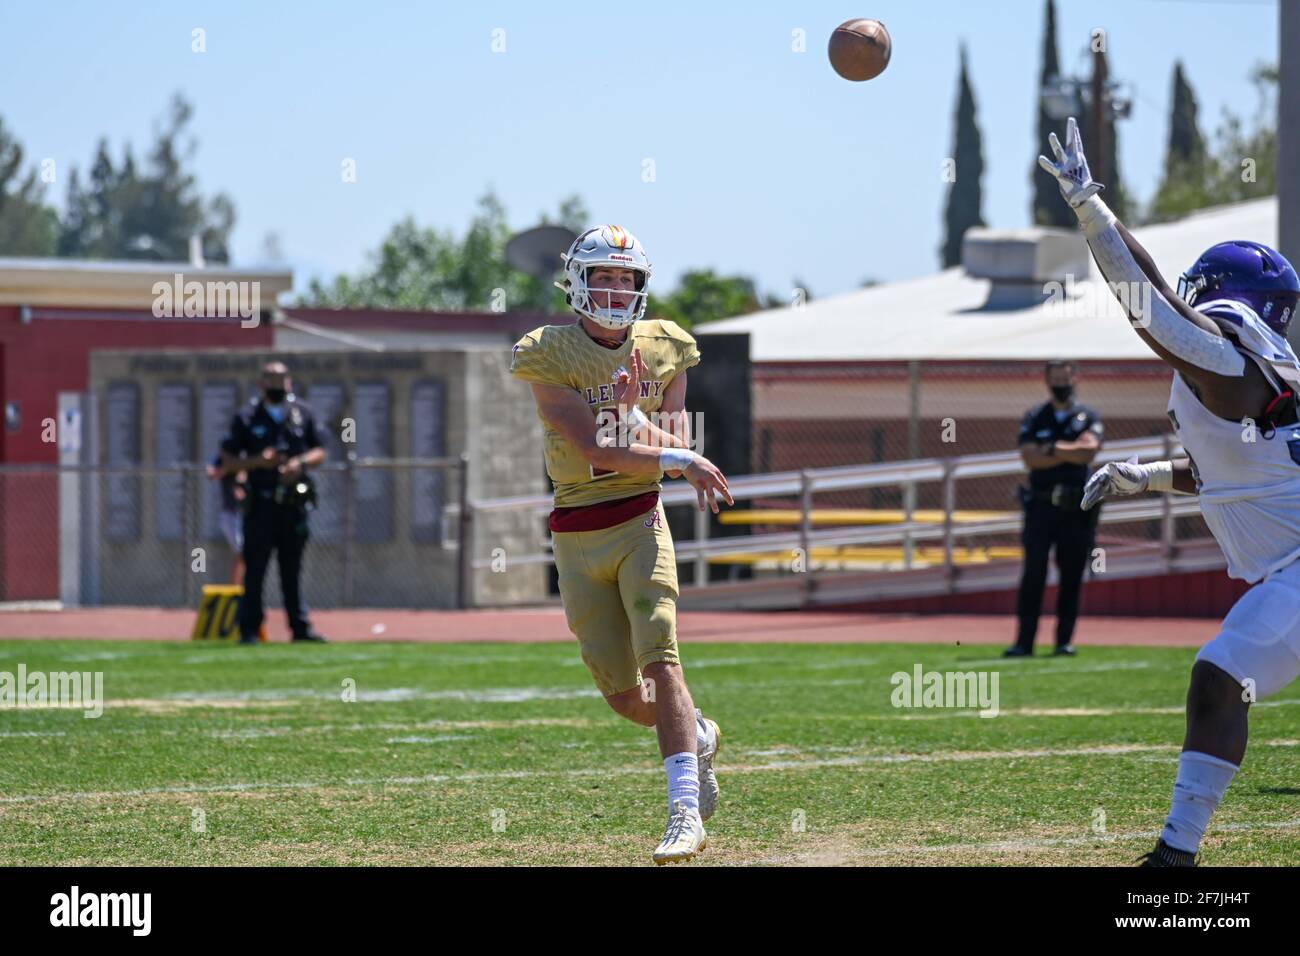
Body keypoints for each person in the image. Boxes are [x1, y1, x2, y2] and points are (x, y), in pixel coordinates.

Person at [1040, 117, 1300, 866]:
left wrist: (1092, 210)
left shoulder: (1231, 364)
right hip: (1287, 563)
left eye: (1205, 295)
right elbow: (1248, 474)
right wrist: (1146, 475)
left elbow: (1151, 308)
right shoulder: (1245, 383)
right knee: (1221, 677)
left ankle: (1174, 858)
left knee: (1219, 676)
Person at [509, 224, 734, 864]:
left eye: (624, 277)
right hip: (577, 529)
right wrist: (647, 433)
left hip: (640, 519)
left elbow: (659, 451)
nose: (614, 289)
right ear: (578, 282)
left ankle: (684, 812)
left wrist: (650, 428)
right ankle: (697, 732)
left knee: (662, 656)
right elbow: (595, 450)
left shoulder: (664, 345)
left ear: (640, 285)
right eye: (602, 276)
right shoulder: (549, 351)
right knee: (625, 696)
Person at [220, 362, 329, 645]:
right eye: (273, 381)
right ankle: (249, 629)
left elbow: (320, 450)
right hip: (260, 505)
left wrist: (299, 462)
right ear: (262, 384)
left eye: (284, 381)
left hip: (293, 504)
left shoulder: (302, 413)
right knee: (255, 569)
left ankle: (299, 627)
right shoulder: (246, 417)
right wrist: (259, 461)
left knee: (292, 570)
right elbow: (227, 461)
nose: (279, 387)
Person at [1006, 360, 1103, 657]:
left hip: (1076, 509)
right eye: (1056, 379)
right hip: (1040, 507)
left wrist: (1050, 448)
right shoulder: (1036, 416)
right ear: (1047, 381)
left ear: (1075, 379)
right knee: (1033, 574)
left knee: (1071, 575)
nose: (1061, 383)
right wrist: (1068, 450)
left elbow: (1088, 451)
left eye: (1066, 378)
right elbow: (1029, 458)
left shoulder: (1088, 416)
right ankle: (1024, 643)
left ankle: (1063, 641)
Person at [205, 453, 247, 585]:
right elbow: (210, 474)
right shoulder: (223, 457)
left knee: (247, 553)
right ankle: (235, 588)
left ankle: (241, 589)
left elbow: (244, 477)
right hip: (230, 514)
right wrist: (228, 467)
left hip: (248, 514)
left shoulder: (248, 454)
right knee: (242, 552)